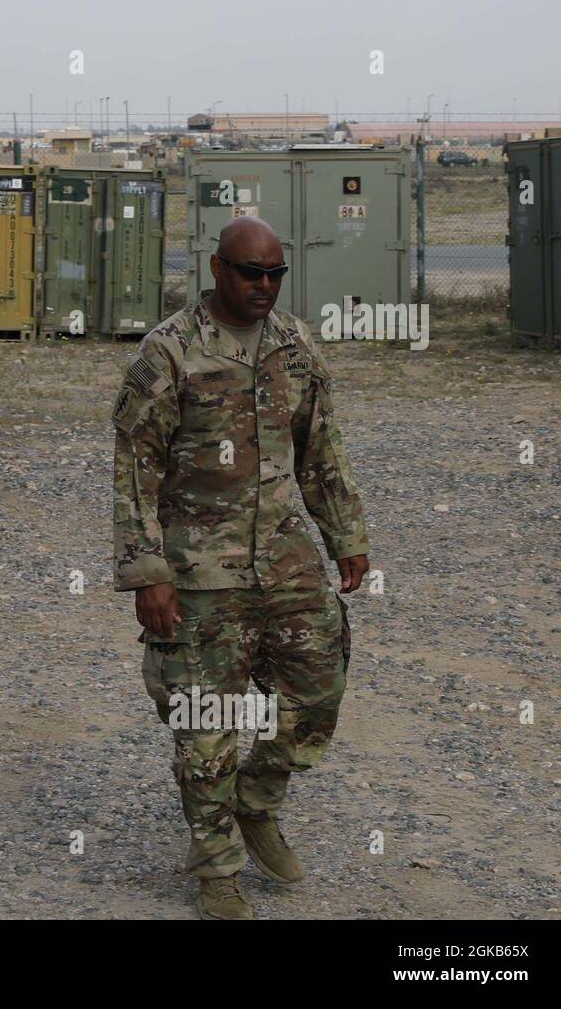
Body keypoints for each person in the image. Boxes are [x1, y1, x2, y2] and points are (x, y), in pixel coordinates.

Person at [112, 215, 370, 920]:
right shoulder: (169, 352)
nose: (264, 286)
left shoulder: (294, 345)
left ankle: (258, 803)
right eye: (251, 273)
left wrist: (346, 533)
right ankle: (217, 868)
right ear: (218, 270)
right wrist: (147, 573)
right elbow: (134, 470)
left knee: (319, 691)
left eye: (275, 275)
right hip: (198, 573)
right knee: (207, 725)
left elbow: (320, 448)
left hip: (286, 561)